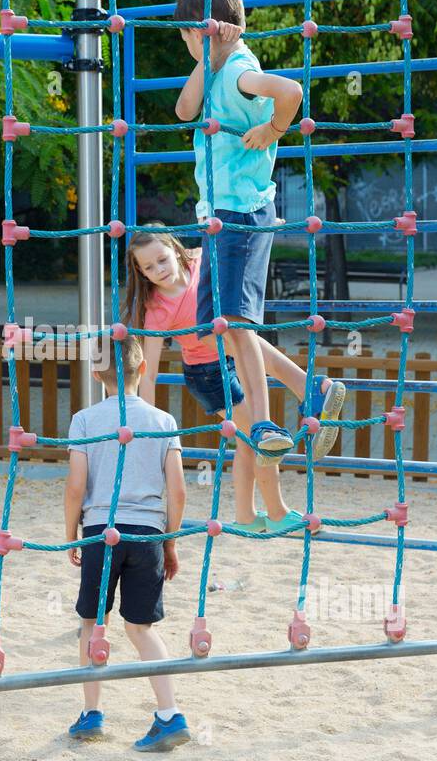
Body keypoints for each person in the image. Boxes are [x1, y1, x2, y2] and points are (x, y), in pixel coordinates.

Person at [173, 0, 347, 469]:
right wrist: (208, 56)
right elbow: (184, 110)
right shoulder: (217, 68)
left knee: (234, 323)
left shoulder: (241, 74)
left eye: (188, 35)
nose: (187, 46)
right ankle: (312, 387)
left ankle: (267, 421)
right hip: (220, 216)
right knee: (218, 327)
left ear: (201, 33)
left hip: (241, 214)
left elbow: (290, 90)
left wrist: (273, 128)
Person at [124, 228, 347, 533]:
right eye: (148, 267)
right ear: (140, 270)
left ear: (176, 250)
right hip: (208, 377)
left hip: (229, 358)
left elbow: (232, 246)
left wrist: (262, 226)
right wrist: (147, 422)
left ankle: (245, 516)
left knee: (245, 440)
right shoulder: (158, 310)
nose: (159, 270)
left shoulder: (198, 260)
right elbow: (148, 374)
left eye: (162, 260)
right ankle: (279, 513)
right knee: (259, 440)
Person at [64, 336, 190, 751]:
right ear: (144, 371)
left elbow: (75, 486)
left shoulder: (85, 420)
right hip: (148, 535)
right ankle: (170, 714)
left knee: (91, 623)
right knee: (141, 627)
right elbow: (179, 491)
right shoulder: (163, 421)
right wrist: (170, 542)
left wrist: (71, 535)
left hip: (102, 531)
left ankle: (92, 714)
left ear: (95, 374)